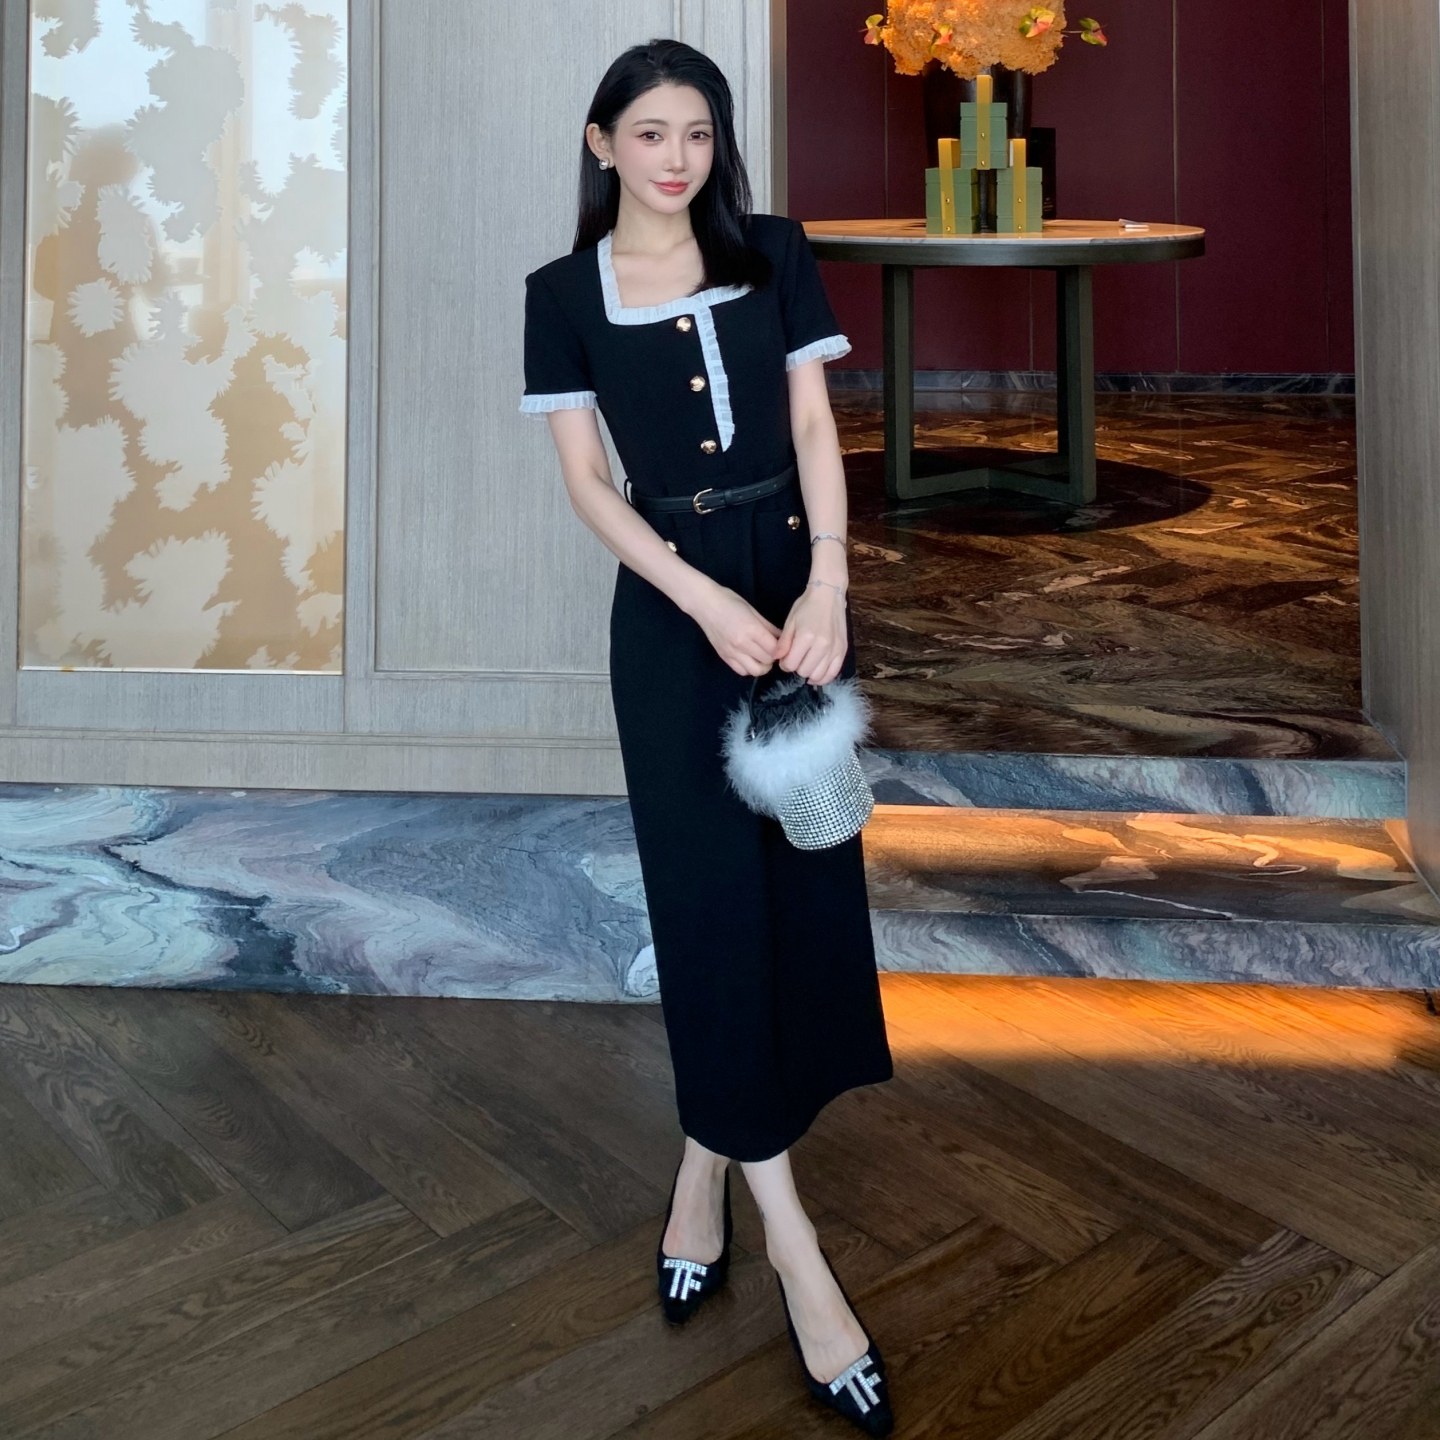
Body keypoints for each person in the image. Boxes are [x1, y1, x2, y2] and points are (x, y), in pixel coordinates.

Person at [518, 37, 895, 1436]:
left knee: (799, 894)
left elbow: (814, 425)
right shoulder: (563, 295)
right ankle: (798, 1254)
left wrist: (829, 584)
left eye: (698, 134)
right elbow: (590, 487)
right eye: (651, 133)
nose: (677, 158)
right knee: (707, 911)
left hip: (800, 599)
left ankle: (702, 1171)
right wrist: (702, 599)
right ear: (603, 143)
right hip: (677, 625)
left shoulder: (774, 251)